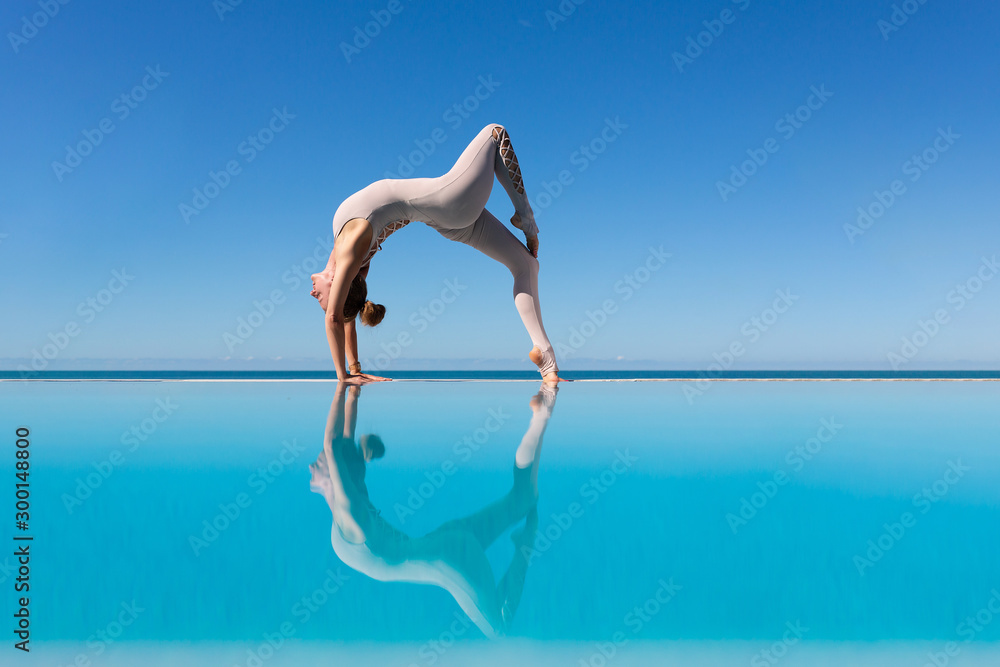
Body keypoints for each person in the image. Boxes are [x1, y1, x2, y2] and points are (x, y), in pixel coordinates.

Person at [310, 124, 564, 384]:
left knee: (527, 266)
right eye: (321, 300)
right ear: (339, 286)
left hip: (445, 219)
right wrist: (344, 377)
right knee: (495, 133)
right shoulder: (352, 250)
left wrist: (354, 368)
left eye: (320, 300)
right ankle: (527, 220)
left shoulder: (352, 257)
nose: (312, 294)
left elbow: (342, 316)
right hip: (449, 204)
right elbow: (335, 317)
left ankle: (547, 362)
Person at [309, 382, 558, 637]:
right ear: (332, 471)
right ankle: (541, 414)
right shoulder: (350, 506)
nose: (310, 466)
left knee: (501, 632)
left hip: (450, 558)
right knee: (522, 498)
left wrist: (350, 392)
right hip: (448, 546)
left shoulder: (351, 506)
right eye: (318, 462)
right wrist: (346, 390)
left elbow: (338, 444)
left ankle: (541, 417)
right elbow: (334, 445)